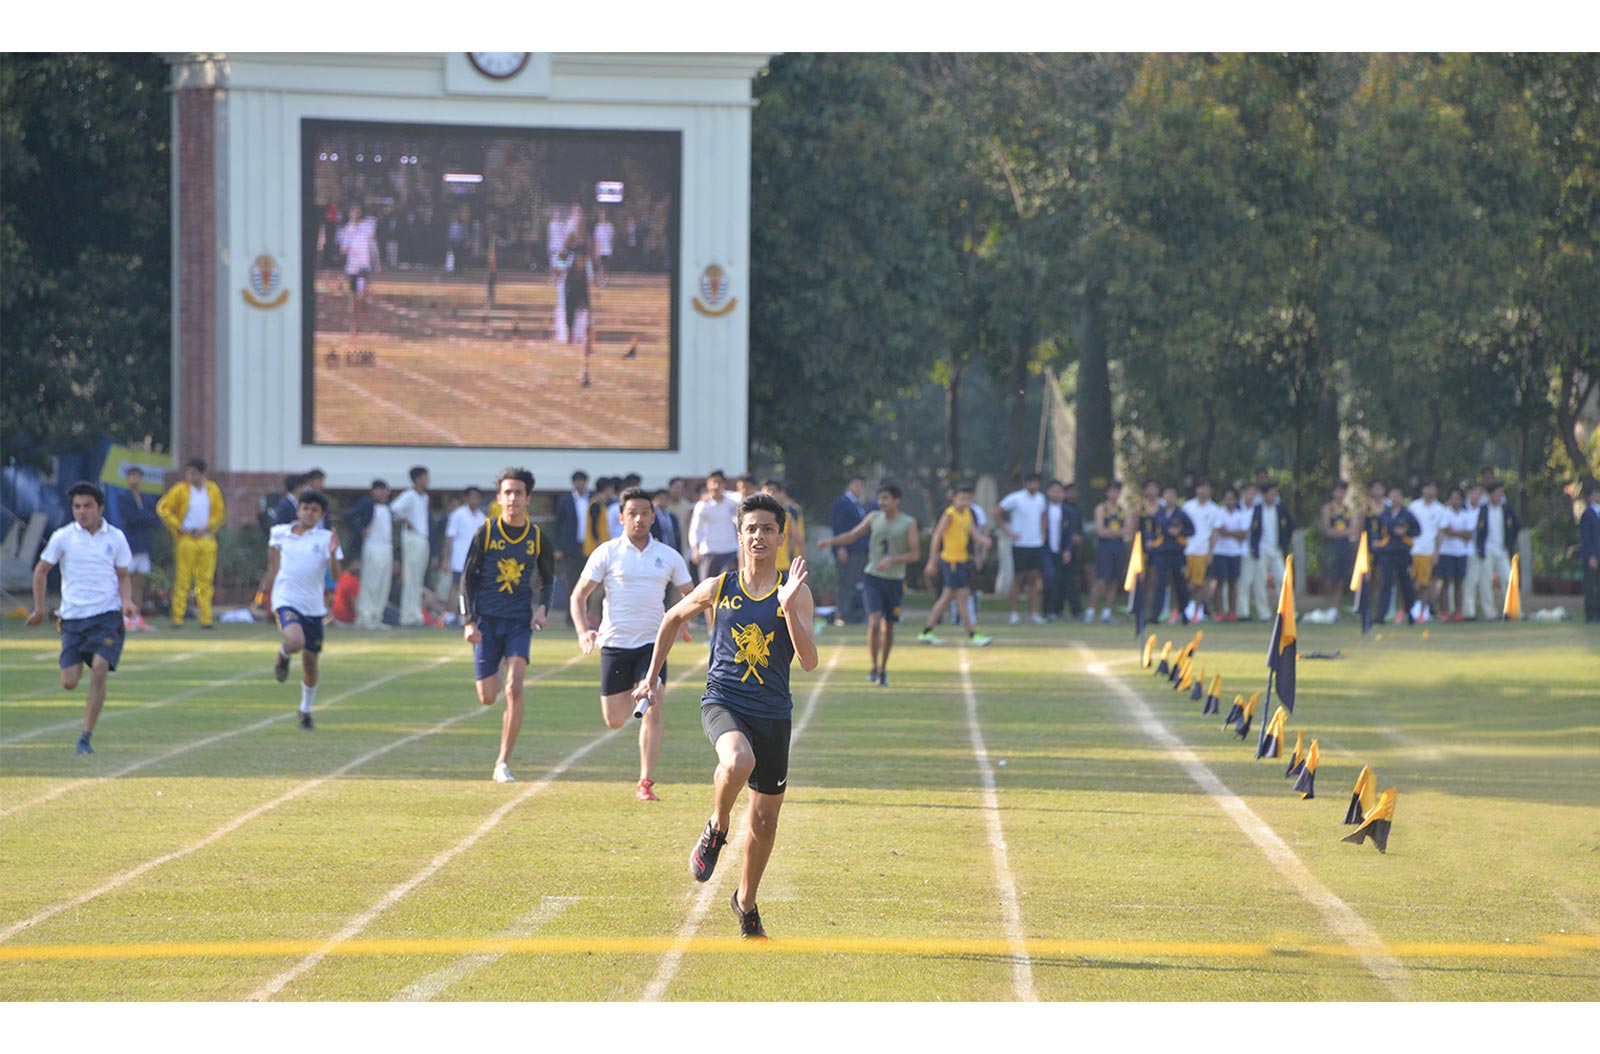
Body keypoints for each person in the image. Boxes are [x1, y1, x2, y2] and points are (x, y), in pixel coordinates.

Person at [631, 493, 819, 940]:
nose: (758, 536)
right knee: (737, 761)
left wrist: (790, 607)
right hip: (724, 702)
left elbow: (809, 660)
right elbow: (673, 618)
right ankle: (716, 827)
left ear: (781, 535)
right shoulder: (721, 586)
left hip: (773, 713)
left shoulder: (796, 591)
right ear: (739, 535)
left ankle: (746, 902)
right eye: (750, 528)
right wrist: (651, 677)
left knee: (765, 823)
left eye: (767, 529)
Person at [571, 486, 694, 802]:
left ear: (653, 517)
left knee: (652, 706)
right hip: (614, 644)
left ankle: (645, 781)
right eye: (632, 513)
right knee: (614, 720)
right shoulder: (607, 552)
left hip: (654, 644)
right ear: (622, 517)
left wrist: (682, 621)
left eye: (644, 513)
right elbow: (578, 595)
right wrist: (584, 631)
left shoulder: (667, 556)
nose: (639, 519)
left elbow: (692, 594)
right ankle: (631, 692)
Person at [27, 481, 139, 755]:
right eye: (77, 506)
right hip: (73, 619)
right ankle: (89, 656)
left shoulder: (116, 538)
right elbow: (41, 571)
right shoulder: (63, 537)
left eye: (87, 506)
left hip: (106, 617)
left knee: (100, 670)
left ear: (100, 507)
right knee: (69, 682)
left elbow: (124, 576)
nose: (82, 511)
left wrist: (126, 601)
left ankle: (85, 737)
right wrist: (39, 609)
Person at [460, 468, 554, 783]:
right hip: (486, 622)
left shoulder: (537, 537)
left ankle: (503, 762)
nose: (512, 498)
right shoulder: (485, 533)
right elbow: (467, 579)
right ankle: (494, 664)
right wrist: (468, 620)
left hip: (518, 621)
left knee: (514, 688)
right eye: (507, 493)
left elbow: (548, 578)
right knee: (488, 696)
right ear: (499, 498)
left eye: (518, 492)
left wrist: (542, 609)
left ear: (528, 498)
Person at [815, 482, 919, 686]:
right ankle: (873, 667)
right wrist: (831, 542)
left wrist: (893, 560)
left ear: (897, 500)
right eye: (880, 498)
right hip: (873, 577)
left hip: (895, 579)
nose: (882, 502)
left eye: (886, 498)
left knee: (888, 626)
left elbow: (914, 554)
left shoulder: (908, 523)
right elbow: (852, 535)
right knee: (874, 620)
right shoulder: (874, 518)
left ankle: (883, 667)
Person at [260, 490, 343, 730]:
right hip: (286, 599)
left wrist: (333, 554)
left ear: (321, 514)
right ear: (298, 510)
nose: (309, 513)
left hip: (313, 607)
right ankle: (284, 654)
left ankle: (305, 711)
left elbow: (336, 576)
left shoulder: (326, 538)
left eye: (315, 510)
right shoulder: (280, 533)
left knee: (310, 663)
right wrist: (268, 587)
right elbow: (273, 562)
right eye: (305, 508)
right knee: (295, 641)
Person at [917, 482, 993, 646]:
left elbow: (973, 532)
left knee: (952, 598)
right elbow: (937, 537)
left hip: (961, 560)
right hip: (951, 561)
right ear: (954, 498)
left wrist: (983, 541)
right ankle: (972, 634)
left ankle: (927, 631)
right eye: (962, 498)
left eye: (968, 498)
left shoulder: (967, 513)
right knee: (960, 597)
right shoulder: (949, 514)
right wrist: (932, 560)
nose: (965, 502)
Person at [156, 458, 225, 629]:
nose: (189, 476)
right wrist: (178, 526)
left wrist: (208, 527)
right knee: (183, 579)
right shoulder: (180, 489)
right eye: (188, 472)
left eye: (193, 473)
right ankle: (178, 617)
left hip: (207, 538)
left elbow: (219, 514)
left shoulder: (212, 489)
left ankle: (206, 618)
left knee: (206, 580)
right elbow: (163, 508)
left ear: (202, 474)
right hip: (186, 539)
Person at [996, 472, 1049, 625]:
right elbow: (997, 512)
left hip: (1036, 544)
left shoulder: (1040, 499)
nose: (1034, 486)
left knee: (1034, 578)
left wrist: (1043, 533)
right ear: (1026, 483)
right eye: (1031, 482)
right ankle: (1014, 613)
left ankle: (1033, 613)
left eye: (1037, 483)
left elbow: (1044, 515)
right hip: (1020, 544)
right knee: (1018, 578)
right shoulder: (1016, 498)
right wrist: (1007, 531)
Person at [116, 467, 161, 629]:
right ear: (127, 479)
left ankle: (137, 616)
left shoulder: (147, 497)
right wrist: (145, 516)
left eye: (138, 477)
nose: (135, 480)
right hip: (131, 544)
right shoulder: (123, 496)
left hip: (144, 544)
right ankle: (125, 616)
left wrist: (145, 517)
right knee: (126, 579)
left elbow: (155, 519)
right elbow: (129, 517)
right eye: (132, 476)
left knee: (140, 581)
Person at [344, 479, 393, 630]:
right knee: (370, 583)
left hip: (387, 548)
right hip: (372, 547)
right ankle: (365, 617)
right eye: (379, 490)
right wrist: (361, 529)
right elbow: (349, 515)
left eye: (385, 490)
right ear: (373, 491)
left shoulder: (388, 507)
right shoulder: (367, 503)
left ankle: (377, 617)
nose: (382, 493)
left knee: (383, 584)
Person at [390, 466, 432, 628]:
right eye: (425, 477)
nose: (428, 480)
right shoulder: (409, 495)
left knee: (418, 578)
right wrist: (406, 521)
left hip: (422, 537)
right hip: (412, 538)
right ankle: (407, 615)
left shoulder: (424, 497)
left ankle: (415, 614)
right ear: (418, 479)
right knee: (410, 576)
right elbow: (394, 509)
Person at [1373, 485, 1420, 625]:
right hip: (1387, 553)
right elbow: (1378, 532)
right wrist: (1377, 542)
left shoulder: (1407, 514)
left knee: (1406, 584)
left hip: (1403, 553)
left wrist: (1405, 533)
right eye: (1392, 496)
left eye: (1398, 496)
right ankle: (1381, 614)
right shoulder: (1384, 514)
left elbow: (1417, 530)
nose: (1395, 499)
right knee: (1385, 583)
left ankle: (1410, 613)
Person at [1248, 482, 1294, 623]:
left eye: (1275, 494)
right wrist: (1254, 548)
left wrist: (1284, 543)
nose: (1273, 497)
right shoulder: (1257, 509)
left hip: (1276, 550)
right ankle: (1264, 614)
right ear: (1264, 495)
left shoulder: (1280, 509)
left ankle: (1288, 612)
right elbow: (1253, 530)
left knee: (1282, 579)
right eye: (1270, 494)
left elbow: (1290, 526)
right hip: (1262, 550)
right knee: (1260, 581)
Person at [1473, 482, 1520, 620]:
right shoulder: (1483, 510)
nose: (1499, 497)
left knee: (1508, 578)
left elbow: (1516, 525)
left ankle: (1512, 610)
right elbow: (1479, 530)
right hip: (1488, 550)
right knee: (1486, 582)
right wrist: (1480, 548)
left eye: (1501, 494)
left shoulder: (1506, 509)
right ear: (1490, 496)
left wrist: (1510, 542)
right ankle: (1490, 613)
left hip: (1502, 550)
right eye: (1496, 494)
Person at [828, 474, 870, 626]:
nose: (859, 488)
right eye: (856, 485)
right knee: (846, 582)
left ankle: (851, 613)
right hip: (848, 549)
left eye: (861, 485)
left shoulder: (858, 504)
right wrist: (840, 547)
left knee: (855, 583)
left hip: (859, 550)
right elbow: (838, 526)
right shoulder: (842, 503)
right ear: (849, 485)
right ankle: (842, 614)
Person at [1149, 485, 1195, 625]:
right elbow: (1152, 529)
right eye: (1167, 495)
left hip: (1177, 552)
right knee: (1160, 583)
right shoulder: (1158, 513)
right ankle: (1155, 615)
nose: (1169, 498)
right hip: (1162, 552)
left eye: (1172, 495)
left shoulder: (1181, 514)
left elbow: (1191, 530)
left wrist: (1179, 532)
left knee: (1180, 583)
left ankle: (1184, 613)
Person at [1087, 480, 1130, 624]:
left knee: (1114, 582)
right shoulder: (1101, 508)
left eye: (1117, 491)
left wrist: (1112, 532)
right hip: (1105, 548)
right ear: (1107, 492)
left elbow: (1127, 530)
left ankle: (1106, 612)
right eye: (1112, 491)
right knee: (1100, 580)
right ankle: (1090, 611)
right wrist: (1116, 532)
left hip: (1118, 548)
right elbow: (1100, 531)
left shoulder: (1123, 510)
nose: (1115, 494)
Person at [1180, 480, 1222, 622]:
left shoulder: (1215, 509)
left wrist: (1210, 552)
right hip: (1187, 550)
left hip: (1203, 551)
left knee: (1200, 584)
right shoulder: (1188, 506)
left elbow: (1215, 533)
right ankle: (1182, 609)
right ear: (1196, 490)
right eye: (1201, 487)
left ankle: (1197, 613)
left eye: (1206, 488)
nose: (1203, 491)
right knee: (1185, 583)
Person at [553, 470, 592, 624]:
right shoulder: (566, 500)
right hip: (571, 547)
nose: (580, 484)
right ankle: (571, 618)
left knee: (589, 583)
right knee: (571, 582)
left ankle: (587, 616)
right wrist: (557, 547)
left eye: (583, 481)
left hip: (589, 547)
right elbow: (558, 525)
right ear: (573, 483)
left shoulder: (593, 498)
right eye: (577, 481)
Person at [689, 470, 740, 584]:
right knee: (707, 587)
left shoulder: (732, 502)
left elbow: (743, 496)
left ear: (724, 485)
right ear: (707, 484)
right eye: (713, 482)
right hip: (709, 551)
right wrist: (695, 550)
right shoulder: (702, 505)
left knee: (728, 585)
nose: (716, 486)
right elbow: (695, 529)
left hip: (729, 551)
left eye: (720, 482)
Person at [337, 202, 380, 336]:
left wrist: (376, 262)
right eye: (353, 212)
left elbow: (373, 245)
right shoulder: (346, 230)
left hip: (363, 266)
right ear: (350, 214)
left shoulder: (367, 227)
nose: (355, 214)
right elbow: (343, 250)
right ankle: (354, 326)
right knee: (352, 298)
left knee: (361, 295)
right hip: (351, 268)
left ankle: (364, 302)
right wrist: (345, 248)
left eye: (357, 211)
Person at [443, 485, 488, 616]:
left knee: (473, 587)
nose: (474, 500)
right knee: (456, 586)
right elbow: (449, 538)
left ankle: (467, 614)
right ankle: (450, 615)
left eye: (477, 497)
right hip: (459, 558)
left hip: (476, 559)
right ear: (466, 498)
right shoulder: (458, 515)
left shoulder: (482, 518)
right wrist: (446, 559)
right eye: (471, 497)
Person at [1407, 480, 1448, 621]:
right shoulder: (1414, 506)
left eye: (1433, 488)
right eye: (1427, 488)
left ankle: (1422, 613)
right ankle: (1408, 609)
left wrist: (1437, 551)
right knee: (1412, 583)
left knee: (1425, 584)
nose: (1430, 492)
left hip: (1429, 551)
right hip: (1413, 550)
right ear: (1423, 490)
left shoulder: (1441, 509)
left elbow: (1441, 533)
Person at [1436, 486, 1474, 621]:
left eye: (1458, 498)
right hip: (1447, 552)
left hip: (1461, 553)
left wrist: (1455, 532)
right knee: (1445, 583)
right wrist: (1460, 533)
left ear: (1462, 500)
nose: (1455, 500)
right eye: (1453, 498)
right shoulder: (1445, 513)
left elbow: (1469, 535)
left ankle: (1458, 613)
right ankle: (1444, 612)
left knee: (1459, 584)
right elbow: (1447, 531)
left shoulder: (1466, 515)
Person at [1212, 486, 1249, 621]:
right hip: (1220, 552)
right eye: (1228, 499)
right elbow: (1221, 530)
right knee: (1220, 582)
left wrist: (1230, 532)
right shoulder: (1219, 513)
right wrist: (1235, 533)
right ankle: (1218, 612)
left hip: (1235, 552)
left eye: (1232, 499)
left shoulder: (1240, 515)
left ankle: (1232, 612)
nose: (1230, 501)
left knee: (1233, 583)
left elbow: (1243, 534)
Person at [1319, 481, 1357, 608]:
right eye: (1337, 491)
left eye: (1342, 491)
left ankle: (1334, 608)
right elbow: (1327, 530)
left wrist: (1338, 532)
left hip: (1345, 547)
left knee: (1341, 579)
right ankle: (1326, 605)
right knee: (1330, 577)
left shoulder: (1348, 510)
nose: (1340, 494)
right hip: (1331, 547)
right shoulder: (1327, 509)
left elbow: (1353, 530)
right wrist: (1343, 532)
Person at [1580, 481, 1600, 623]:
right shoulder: (1587, 514)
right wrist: (1591, 556)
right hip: (1592, 556)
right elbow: (1586, 538)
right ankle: (1590, 614)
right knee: (1590, 586)